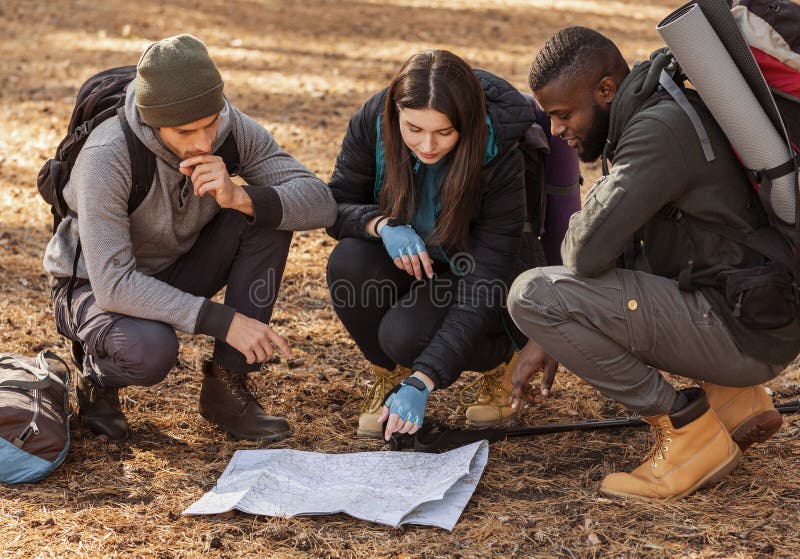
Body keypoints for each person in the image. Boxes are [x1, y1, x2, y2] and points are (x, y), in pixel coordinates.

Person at [508, 27, 800, 500]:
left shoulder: (658, 132)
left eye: (563, 115)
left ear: (606, 90)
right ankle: (732, 398)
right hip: (755, 312)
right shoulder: (656, 105)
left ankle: (687, 431)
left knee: (534, 295)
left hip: (743, 332)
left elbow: (583, 253)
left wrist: (549, 322)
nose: (556, 130)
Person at [44, 35, 337, 442]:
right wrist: (225, 321)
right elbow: (113, 283)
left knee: (266, 217)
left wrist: (241, 196)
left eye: (210, 124)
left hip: (175, 268)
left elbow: (322, 202)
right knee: (150, 351)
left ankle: (226, 387)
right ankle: (96, 374)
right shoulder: (108, 154)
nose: (202, 143)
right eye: (184, 131)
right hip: (92, 287)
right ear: (151, 120)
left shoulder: (231, 129)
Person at [325, 49, 542, 441]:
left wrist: (425, 378)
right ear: (395, 114)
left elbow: (485, 278)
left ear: (468, 124)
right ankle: (389, 381)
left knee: (404, 337)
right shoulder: (373, 122)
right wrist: (381, 225)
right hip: (415, 259)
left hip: (478, 276)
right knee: (349, 263)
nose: (427, 145)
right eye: (414, 129)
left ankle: (499, 362)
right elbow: (336, 203)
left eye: (444, 132)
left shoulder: (499, 155)